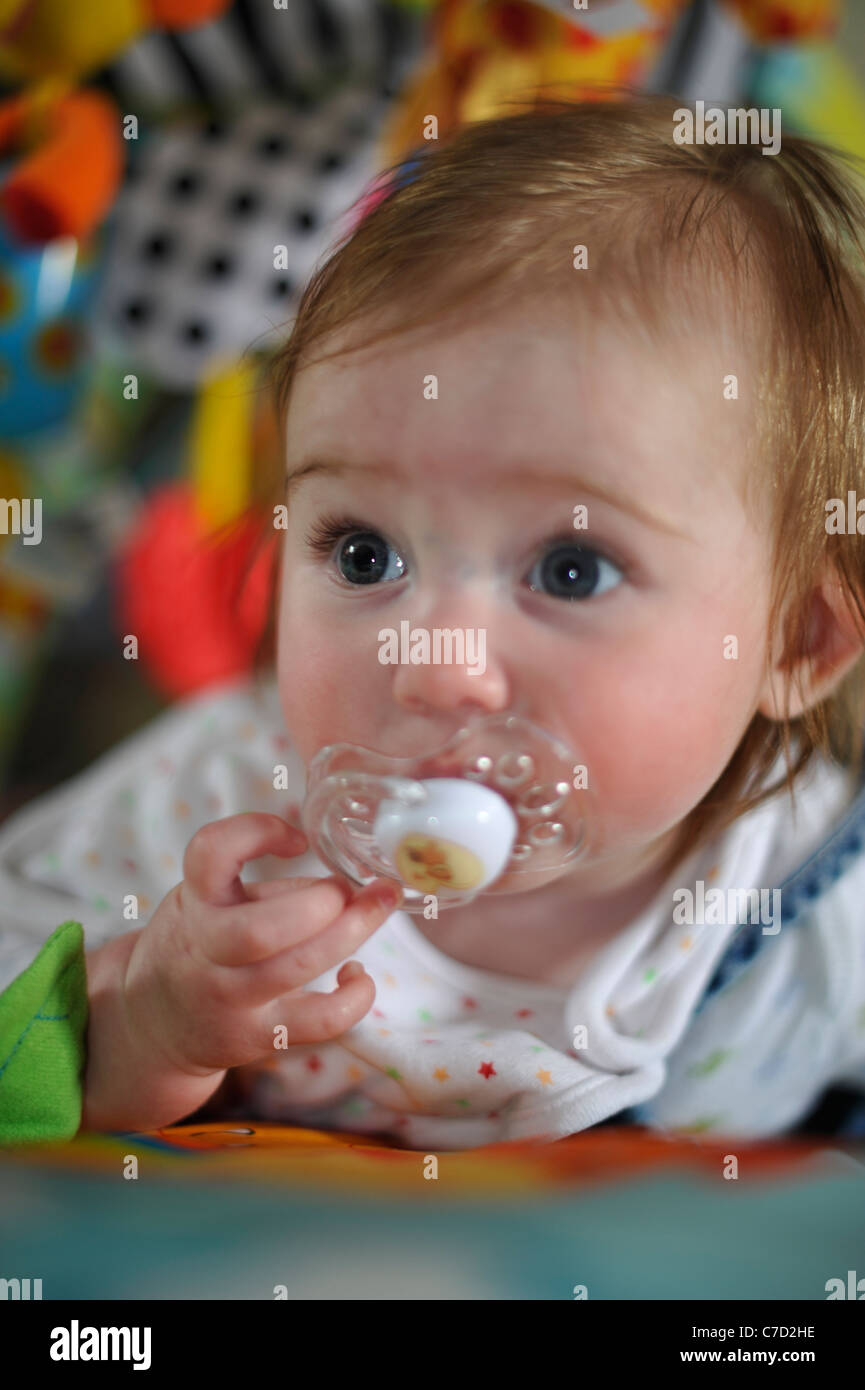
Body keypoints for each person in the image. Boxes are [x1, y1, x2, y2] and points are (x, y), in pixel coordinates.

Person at [3, 94, 865, 1150]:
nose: (436, 665)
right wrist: (139, 1023)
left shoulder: (819, 906)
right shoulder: (221, 810)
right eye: (365, 554)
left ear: (795, 642)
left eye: (571, 567)